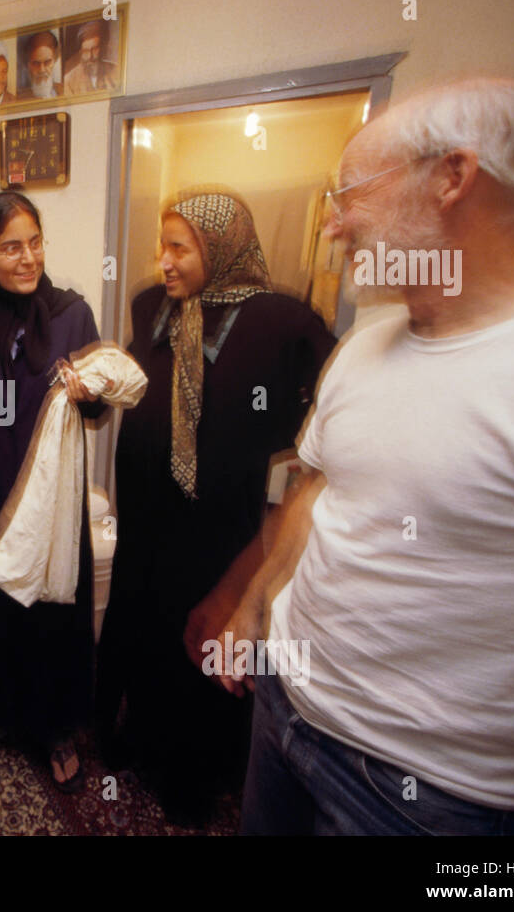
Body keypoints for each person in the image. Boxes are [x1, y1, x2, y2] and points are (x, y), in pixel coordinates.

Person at [212, 78, 514, 834]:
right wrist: (253, 605)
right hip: (284, 720)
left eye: (350, 194)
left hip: (435, 803)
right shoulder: (364, 349)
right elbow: (315, 492)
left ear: (452, 178)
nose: (332, 227)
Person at [94, 188, 334, 825]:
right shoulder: (152, 306)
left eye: (179, 247)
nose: (163, 260)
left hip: (218, 532)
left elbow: (314, 438)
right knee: (141, 624)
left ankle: (195, 775)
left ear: (221, 249)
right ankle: (139, 738)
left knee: (202, 639)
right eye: (160, 245)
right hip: (146, 514)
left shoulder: (285, 323)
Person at [0, 191, 106, 792]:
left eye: (35, 242)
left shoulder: (71, 313)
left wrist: (94, 392)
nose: (28, 258)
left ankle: (57, 726)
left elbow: (100, 406)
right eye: (11, 247)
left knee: (51, 608)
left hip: (53, 497)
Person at [63, 20, 119, 94]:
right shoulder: (69, 81)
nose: (90, 56)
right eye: (86, 51)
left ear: (103, 47)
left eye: (95, 49)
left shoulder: (115, 71)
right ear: (80, 52)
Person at [20, 30, 62, 99]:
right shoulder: (20, 99)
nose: (42, 70)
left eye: (47, 62)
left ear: (55, 60)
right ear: (28, 65)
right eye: (36, 63)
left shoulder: (64, 92)